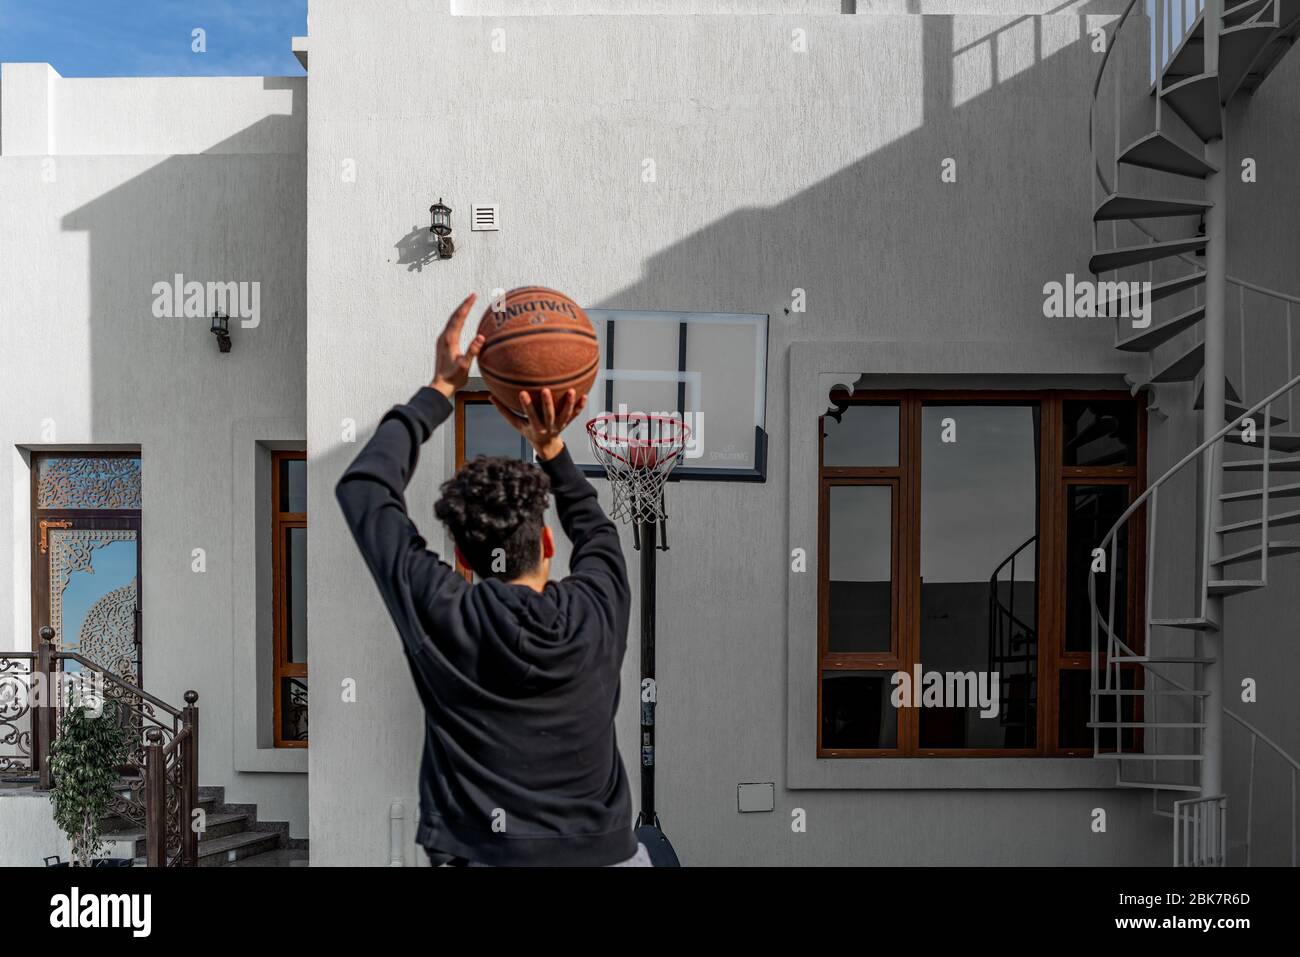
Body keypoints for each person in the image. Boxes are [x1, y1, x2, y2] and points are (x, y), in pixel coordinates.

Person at [335, 294, 648, 867]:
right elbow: (597, 530)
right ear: (548, 542)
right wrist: (550, 445)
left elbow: (363, 488)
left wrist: (440, 391)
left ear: (463, 555)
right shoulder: (598, 606)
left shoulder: (444, 611)